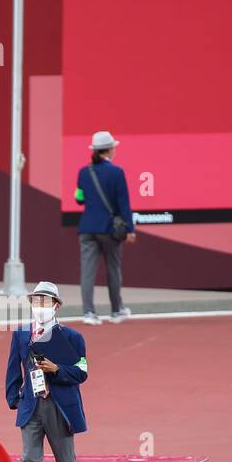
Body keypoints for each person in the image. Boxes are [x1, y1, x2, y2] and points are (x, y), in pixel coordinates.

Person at [6, 281, 88, 462]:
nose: (40, 306)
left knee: (65, 461)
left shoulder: (72, 337)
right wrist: (15, 400)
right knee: (29, 458)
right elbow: (13, 370)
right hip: (31, 406)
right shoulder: (21, 335)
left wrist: (57, 370)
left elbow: (81, 372)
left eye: (45, 301)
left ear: (56, 306)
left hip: (60, 407)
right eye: (36, 301)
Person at [75, 130, 136, 325]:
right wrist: (130, 229)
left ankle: (88, 312)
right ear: (109, 150)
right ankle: (117, 310)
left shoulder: (84, 172)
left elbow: (79, 199)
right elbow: (124, 204)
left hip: (87, 228)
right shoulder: (117, 172)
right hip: (109, 229)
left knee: (87, 271)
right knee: (113, 269)